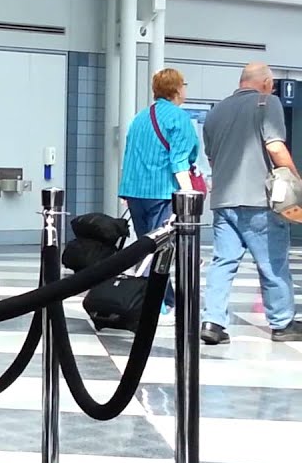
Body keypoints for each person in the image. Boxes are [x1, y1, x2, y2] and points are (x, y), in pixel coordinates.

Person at [201, 62, 302, 345]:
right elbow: (275, 146)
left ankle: (213, 322)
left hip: (223, 201)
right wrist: (297, 182)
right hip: (259, 200)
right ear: (267, 83)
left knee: (223, 261)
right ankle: (282, 322)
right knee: (272, 263)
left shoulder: (216, 111)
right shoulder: (267, 103)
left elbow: (212, 158)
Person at [118, 68, 199, 324]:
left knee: (146, 246)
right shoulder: (179, 118)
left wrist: (125, 192)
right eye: (183, 85)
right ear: (176, 89)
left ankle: (166, 299)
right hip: (162, 192)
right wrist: (188, 192)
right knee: (160, 250)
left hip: (134, 191)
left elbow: (130, 153)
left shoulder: (140, 118)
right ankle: (153, 301)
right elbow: (180, 160)